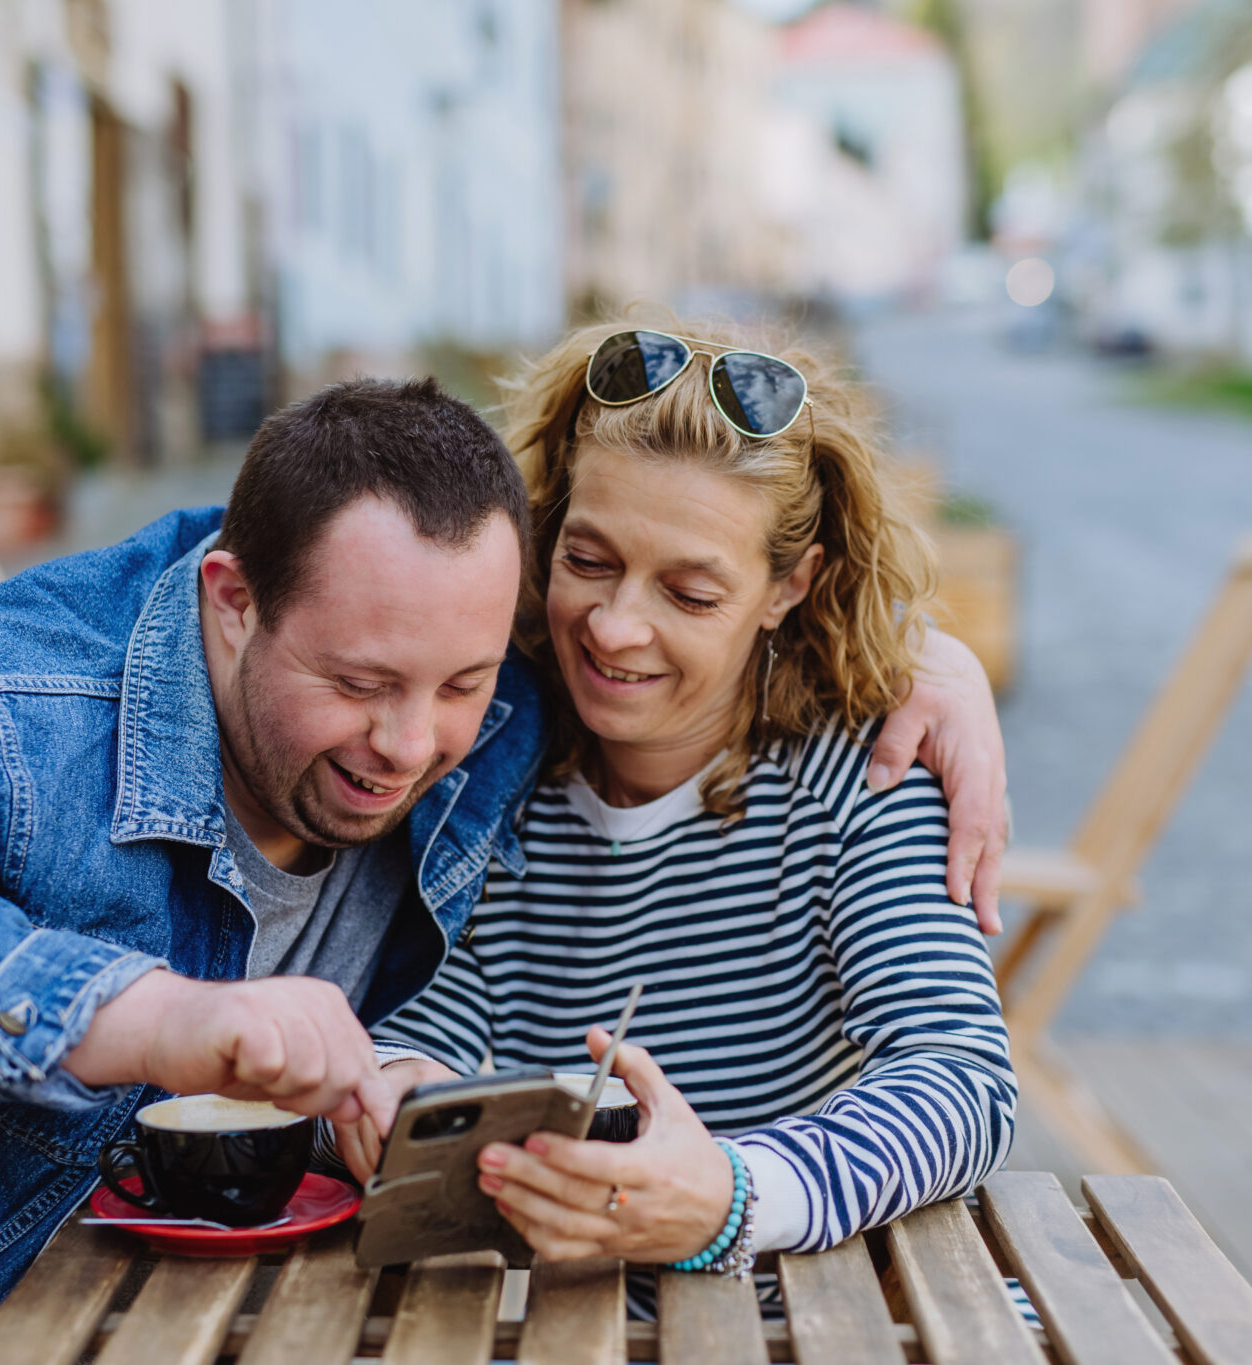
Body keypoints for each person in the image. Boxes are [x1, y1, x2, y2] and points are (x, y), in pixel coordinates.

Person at [0, 376, 1005, 1363]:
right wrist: (140, 1017)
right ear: (233, 597)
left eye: (461, 682)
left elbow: (676, 619)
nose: (413, 747)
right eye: (359, 681)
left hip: (185, 1319)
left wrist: (916, 662)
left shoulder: (497, 672)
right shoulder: (31, 703)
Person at [342, 322, 1016, 1289]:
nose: (615, 627)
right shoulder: (492, 770)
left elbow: (959, 1079)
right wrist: (392, 1094)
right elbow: (425, 1020)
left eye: (691, 593)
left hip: (804, 1312)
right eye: (588, 559)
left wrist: (732, 1194)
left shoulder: (857, 774)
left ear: (790, 585)